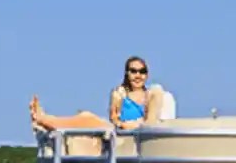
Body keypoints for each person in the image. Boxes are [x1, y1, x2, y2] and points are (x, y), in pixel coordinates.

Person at [29, 55, 162, 132]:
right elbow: (115, 119)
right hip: (120, 134)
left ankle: (45, 120)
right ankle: (47, 120)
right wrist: (123, 124)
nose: (138, 75)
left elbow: (151, 122)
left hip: (136, 136)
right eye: (133, 71)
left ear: (147, 74)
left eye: (142, 71)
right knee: (86, 117)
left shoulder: (151, 95)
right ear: (127, 73)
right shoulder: (120, 94)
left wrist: (132, 125)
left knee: (88, 119)